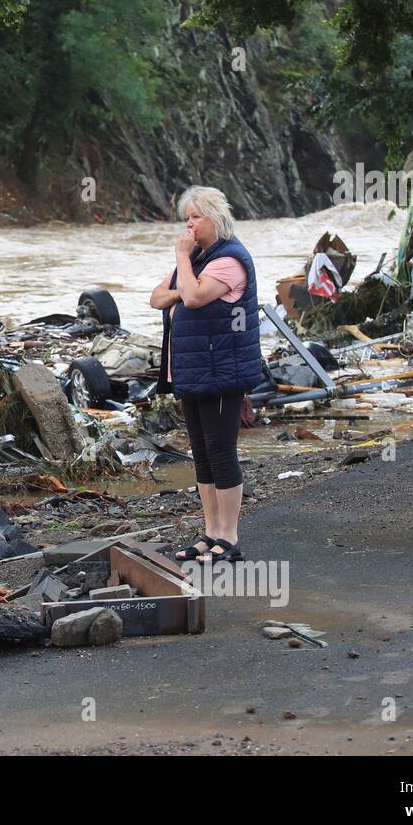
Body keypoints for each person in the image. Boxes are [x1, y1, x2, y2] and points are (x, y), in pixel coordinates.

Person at [150, 186, 263, 564]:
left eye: (195, 217)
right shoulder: (199, 259)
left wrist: (183, 262)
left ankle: (229, 537)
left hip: (221, 370)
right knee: (201, 453)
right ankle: (211, 531)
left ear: (214, 217)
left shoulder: (229, 260)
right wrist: (184, 278)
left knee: (220, 451)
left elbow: (195, 297)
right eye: (186, 218)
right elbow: (155, 297)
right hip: (194, 370)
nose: (189, 225)